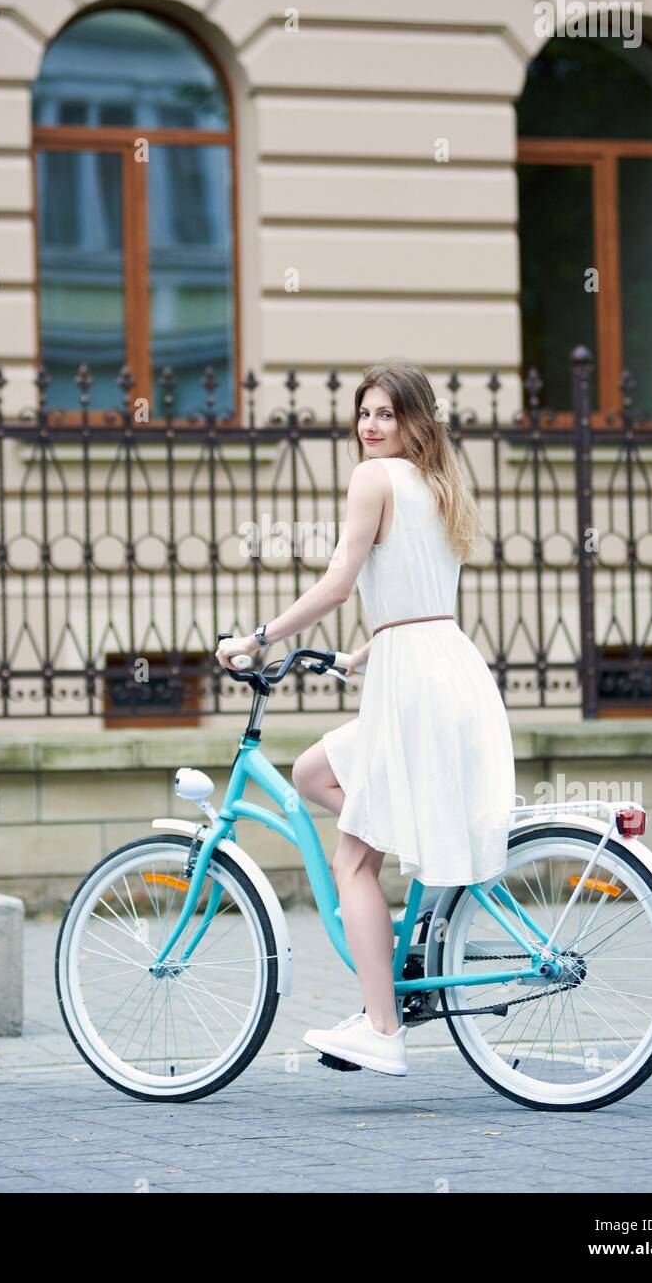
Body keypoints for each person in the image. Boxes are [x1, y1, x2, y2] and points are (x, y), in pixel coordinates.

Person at [214, 361, 516, 1078]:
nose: (372, 426)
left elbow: (340, 581)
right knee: (314, 771)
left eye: (388, 414)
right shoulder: (441, 486)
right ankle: (390, 943)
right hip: (443, 666)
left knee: (355, 856)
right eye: (365, 413)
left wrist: (260, 639)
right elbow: (419, 597)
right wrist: (360, 653)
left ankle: (382, 1027)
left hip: (412, 682)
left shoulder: (372, 480)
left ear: (416, 423)